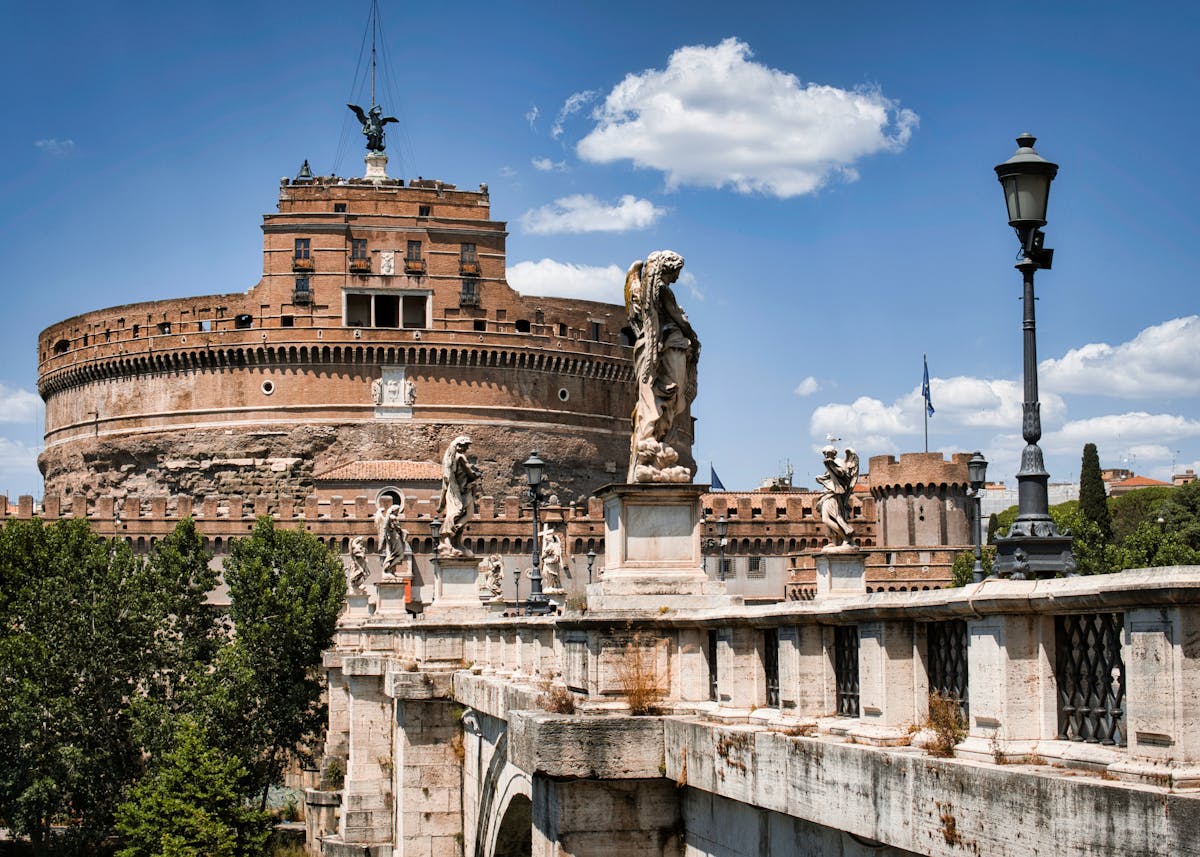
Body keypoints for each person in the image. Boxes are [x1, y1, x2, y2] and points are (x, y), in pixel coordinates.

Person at [624, 250, 700, 482]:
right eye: (676, 271)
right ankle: (650, 444)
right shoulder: (662, 291)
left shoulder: (650, 294)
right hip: (669, 347)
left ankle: (653, 442)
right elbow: (678, 317)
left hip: (663, 347)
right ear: (667, 269)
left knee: (665, 397)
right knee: (670, 392)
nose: (678, 277)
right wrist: (692, 335)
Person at [437, 436, 482, 556]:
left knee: (461, 514)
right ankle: (447, 539)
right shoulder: (460, 457)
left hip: (460, 491)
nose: (467, 448)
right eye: (466, 445)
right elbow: (471, 473)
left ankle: (455, 538)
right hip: (458, 492)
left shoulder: (450, 460)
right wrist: (477, 474)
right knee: (457, 514)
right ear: (459, 446)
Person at [816, 446, 859, 548]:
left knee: (829, 518)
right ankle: (835, 542)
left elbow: (843, 475)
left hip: (834, 494)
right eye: (825, 453)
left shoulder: (838, 461)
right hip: (827, 493)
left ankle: (846, 538)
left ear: (833, 453)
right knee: (829, 518)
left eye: (828, 453)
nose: (826, 455)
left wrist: (831, 466)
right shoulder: (829, 462)